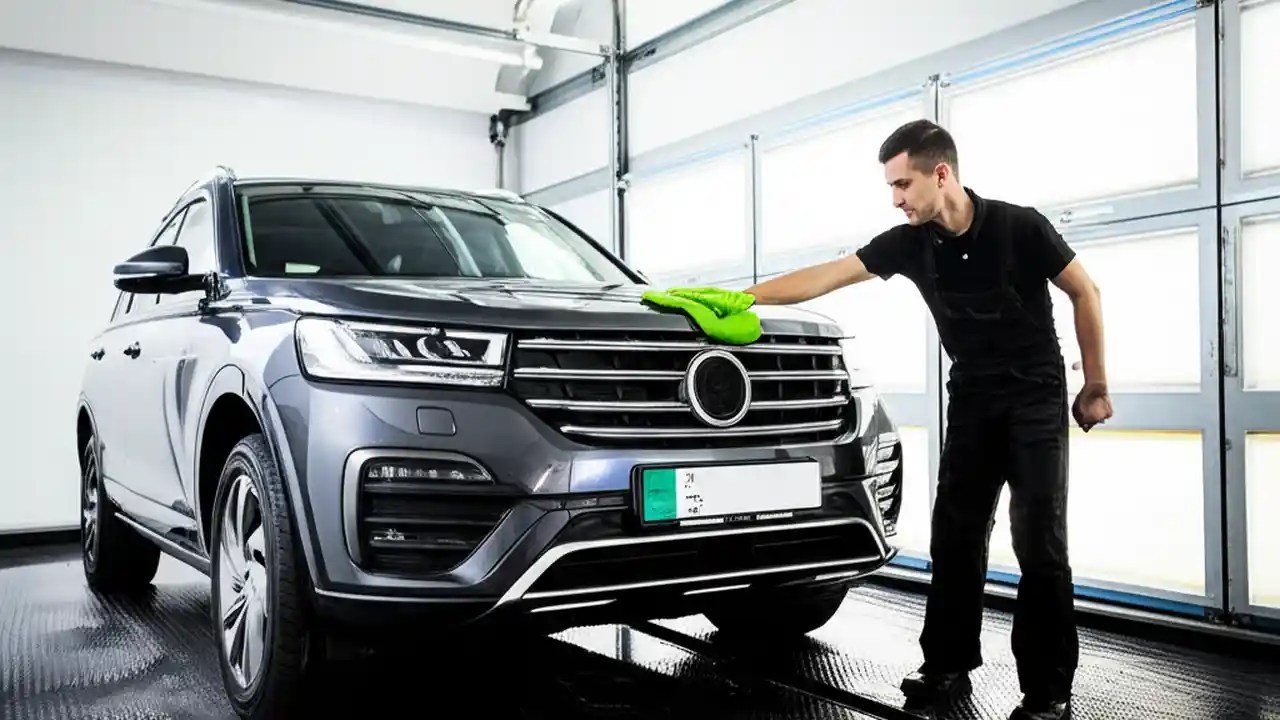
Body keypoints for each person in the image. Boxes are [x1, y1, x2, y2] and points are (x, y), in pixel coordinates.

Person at [744, 119, 1111, 720]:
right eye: (891, 187)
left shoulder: (1022, 226)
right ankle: (946, 669)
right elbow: (827, 276)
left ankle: (1047, 693)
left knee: (1038, 540)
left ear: (941, 174)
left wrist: (1095, 384)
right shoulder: (909, 243)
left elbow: (1085, 292)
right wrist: (743, 297)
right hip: (972, 395)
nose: (895, 198)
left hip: (1035, 395)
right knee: (955, 534)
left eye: (902, 184)